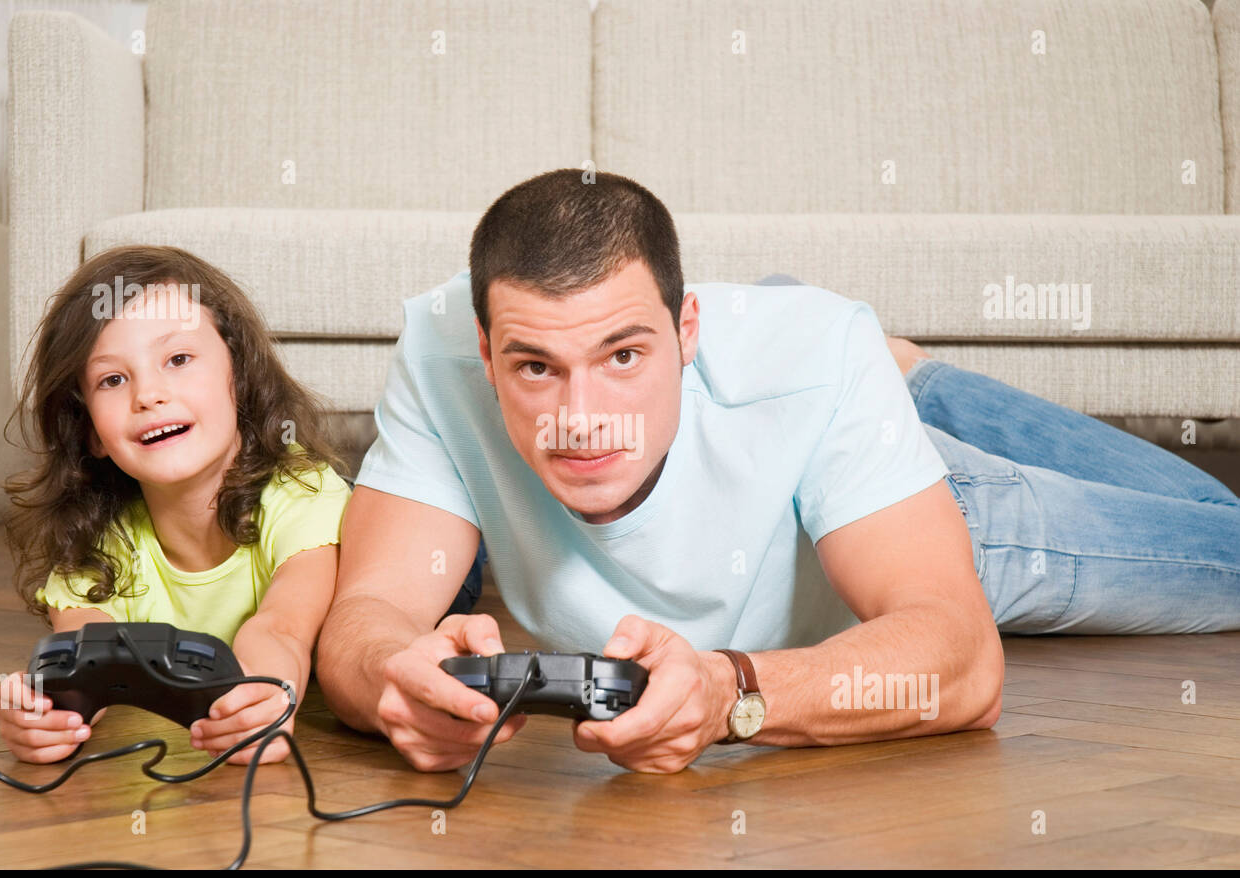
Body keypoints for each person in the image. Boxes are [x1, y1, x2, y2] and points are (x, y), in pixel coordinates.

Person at [316, 169, 1240, 775]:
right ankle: (890, 373)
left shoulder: (805, 371)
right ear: (485, 350)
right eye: (534, 368)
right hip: (805, 402)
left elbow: (961, 659)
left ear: (687, 330)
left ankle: (898, 379)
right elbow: (366, 618)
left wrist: (732, 691)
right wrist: (390, 677)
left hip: (914, 510)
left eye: (625, 356)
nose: (582, 414)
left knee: (1228, 541)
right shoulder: (438, 353)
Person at [0, 245, 352, 765]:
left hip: (360, 540)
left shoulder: (305, 493)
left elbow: (281, 626)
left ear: (241, 375)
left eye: (178, 359)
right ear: (91, 431)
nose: (149, 395)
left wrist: (261, 697)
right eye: (113, 379)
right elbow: (83, 652)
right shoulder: (95, 545)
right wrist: (47, 713)